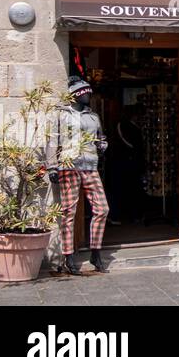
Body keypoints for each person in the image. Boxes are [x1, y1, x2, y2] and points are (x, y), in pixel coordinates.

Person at [50, 77, 109, 275]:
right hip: (69, 166)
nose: (88, 95)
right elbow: (52, 141)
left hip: (90, 166)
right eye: (84, 92)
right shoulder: (61, 115)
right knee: (69, 212)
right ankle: (68, 255)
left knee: (102, 208)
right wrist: (52, 167)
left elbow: (101, 137)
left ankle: (95, 252)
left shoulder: (93, 116)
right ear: (75, 94)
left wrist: (102, 145)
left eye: (89, 92)